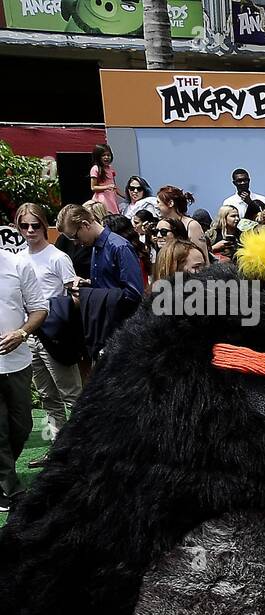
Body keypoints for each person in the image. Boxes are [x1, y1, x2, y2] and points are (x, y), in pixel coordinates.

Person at [14, 204, 80, 461]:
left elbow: (75, 296)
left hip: (55, 334)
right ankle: (58, 449)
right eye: (24, 225)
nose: (30, 231)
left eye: (35, 225)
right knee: (47, 397)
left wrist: (53, 313)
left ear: (44, 225)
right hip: (28, 334)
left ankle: (81, 449)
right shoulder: (18, 257)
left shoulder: (57, 257)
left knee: (71, 395)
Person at [0, 247, 47, 510]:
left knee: (22, 426)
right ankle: (10, 489)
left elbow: (40, 308)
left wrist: (21, 332)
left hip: (17, 362)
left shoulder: (17, 264)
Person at [56, 203, 144, 301]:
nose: (76, 243)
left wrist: (92, 293)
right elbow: (109, 285)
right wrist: (89, 284)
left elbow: (133, 294)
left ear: (85, 224)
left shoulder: (120, 247)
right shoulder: (96, 247)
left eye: (75, 237)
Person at [156, 186, 209, 258]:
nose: (156, 206)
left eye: (158, 202)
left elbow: (203, 256)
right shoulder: (162, 224)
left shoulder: (191, 225)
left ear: (170, 203)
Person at [88, 144, 123, 215]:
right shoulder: (95, 168)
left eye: (108, 155)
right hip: (102, 198)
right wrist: (107, 187)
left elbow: (115, 187)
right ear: (98, 157)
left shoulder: (110, 169)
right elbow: (93, 187)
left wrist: (127, 197)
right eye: (103, 155)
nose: (106, 157)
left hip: (112, 198)